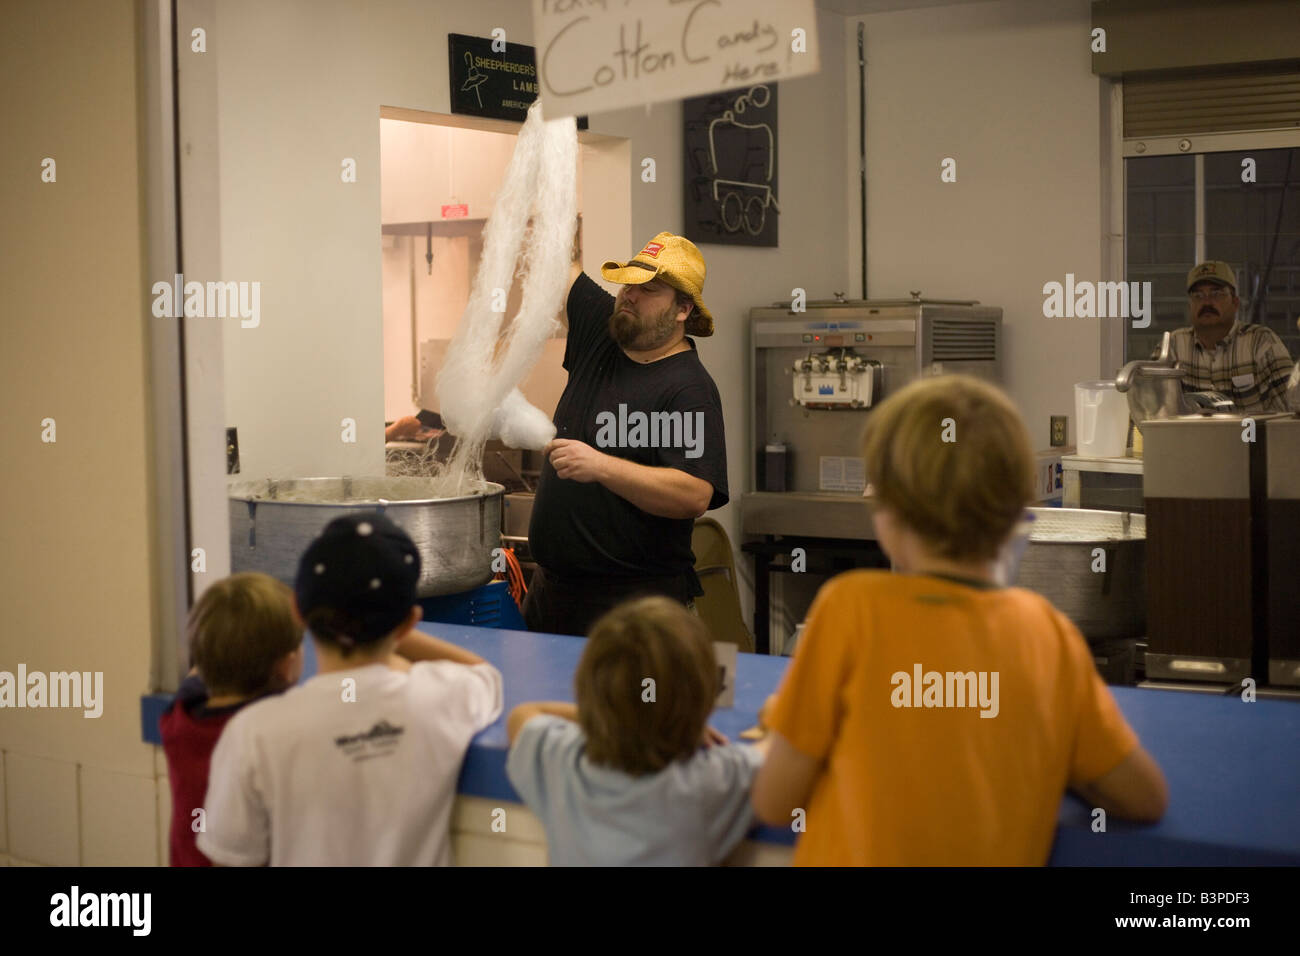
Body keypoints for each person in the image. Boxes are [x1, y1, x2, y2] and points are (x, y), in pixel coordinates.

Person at [750, 375, 1168, 865]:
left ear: (886, 508)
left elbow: (774, 803)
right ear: (1019, 510)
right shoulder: (1046, 632)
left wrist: (789, 727)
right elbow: (1144, 799)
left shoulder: (849, 608)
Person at [197, 513, 503, 866]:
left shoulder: (254, 732)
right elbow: (483, 674)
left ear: (297, 610)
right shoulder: (442, 698)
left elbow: (231, 857)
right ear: (408, 623)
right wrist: (391, 628)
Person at [524, 230, 728, 636]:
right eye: (628, 284)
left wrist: (599, 465)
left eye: (648, 289)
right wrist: (541, 212)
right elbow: (560, 271)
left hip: (633, 612)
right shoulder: (606, 334)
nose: (629, 296)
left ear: (683, 309)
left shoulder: (688, 388)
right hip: (551, 598)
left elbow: (694, 494)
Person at [505, 596, 764, 865]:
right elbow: (776, 747)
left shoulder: (562, 760)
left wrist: (612, 714)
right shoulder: (713, 780)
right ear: (706, 699)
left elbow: (522, 715)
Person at [160, 572, 303, 867]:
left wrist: (220, 636)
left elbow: (201, 672)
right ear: (288, 666)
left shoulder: (178, 719)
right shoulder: (271, 735)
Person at [1164, 260, 1294, 412]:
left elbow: (1293, 407)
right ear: (1189, 306)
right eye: (1198, 295)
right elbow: (1153, 409)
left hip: (1251, 435)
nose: (1206, 302)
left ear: (1235, 303)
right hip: (1191, 435)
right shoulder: (1173, 345)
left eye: (1216, 293)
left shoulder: (1261, 342)